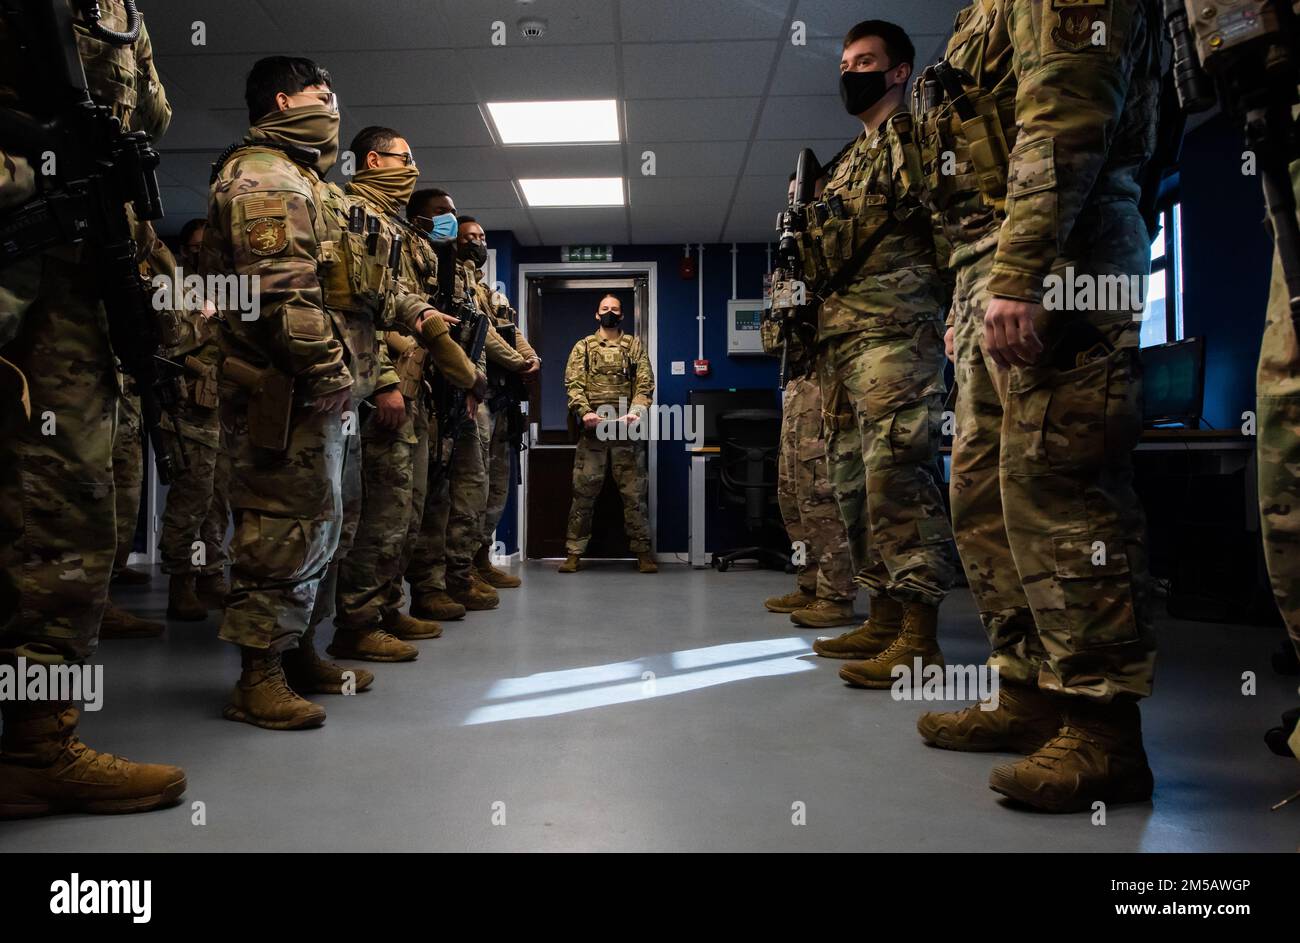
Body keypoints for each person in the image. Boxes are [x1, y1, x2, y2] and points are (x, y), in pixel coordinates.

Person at [912, 0, 1161, 812]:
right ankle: (1026, 692)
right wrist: (973, 289)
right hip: (996, 262)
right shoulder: (976, 13)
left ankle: (1102, 728)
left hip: (1069, 249)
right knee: (982, 490)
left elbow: (1067, 104)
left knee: (1060, 485)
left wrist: (1020, 271)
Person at [0, 0, 186, 817]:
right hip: (25, 275)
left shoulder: (116, 10)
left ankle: (37, 739)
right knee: (62, 521)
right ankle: (35, 746)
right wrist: (37, 163)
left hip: (70, 288)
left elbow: (144, 115)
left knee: (73, 520)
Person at [208, 55, 360, 730]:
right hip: (284, 389)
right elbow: (282, 291)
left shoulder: (306, 180)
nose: (332, 106)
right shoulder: (262, 177)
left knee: (317, 528)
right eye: (320, 94)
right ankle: (257, 676)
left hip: (311, 392)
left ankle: (298, 652)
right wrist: (327, 369)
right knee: (279, 528)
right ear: (281, 100)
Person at [333, 127, 480, 648]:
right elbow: (361, 315)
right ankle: (356, 622)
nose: (413, 165)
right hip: (379, 390)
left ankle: (385, 610)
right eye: (405, 157)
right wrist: (388, 382)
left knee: (408, 509)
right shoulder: (351, 214)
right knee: (380, 512)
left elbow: (392, 300)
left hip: (415, 393)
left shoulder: (392, 231)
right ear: (372, 160)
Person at [766, 175, 859, 629]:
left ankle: (837, 595)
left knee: (822, 493)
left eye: (801, 194)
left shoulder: (838, 244)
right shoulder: (793, 261)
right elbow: (772, 339)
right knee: (793, 494)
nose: (795, 203)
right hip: (796, 387)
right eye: (789, 198)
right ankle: (808, 582)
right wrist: (782, 298)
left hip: (829, 382)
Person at [458, 215, 539, 590]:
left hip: (502, 403)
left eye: (481, 236)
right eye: (469, 236)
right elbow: (484, 334)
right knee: (472, 485)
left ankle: (481, 557)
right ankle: (459, 569)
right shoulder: (455, 284)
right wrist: (517, 361)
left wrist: (531, 356)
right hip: (474, 400)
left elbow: (513, 331)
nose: (476, 241)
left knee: (497, 485)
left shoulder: (492, 293)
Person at [157, 218, 231, 621]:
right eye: (197, 245)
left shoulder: (234, 289)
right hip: (190, 413)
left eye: (212, 244)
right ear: (185, 250)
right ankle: (180, 580)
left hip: (228, 411)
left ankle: (212, 573)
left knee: (219, 500)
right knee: (191, 501)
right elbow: (168, 343)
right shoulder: (172, 289)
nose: (205, 251)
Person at [560, 294, 656, 573]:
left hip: (627, 433)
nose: (610, 313)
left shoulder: (634, 346)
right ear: (596, 314)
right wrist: (584, 411)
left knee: (634, 496)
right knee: (583, 494)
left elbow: (645, 384)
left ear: (622, 315)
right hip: (593, 434)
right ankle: (574, 552)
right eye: (605, 309)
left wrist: (636, 412)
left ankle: (642, 552)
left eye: (615, 309)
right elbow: (573, 384)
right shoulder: (584, 347)